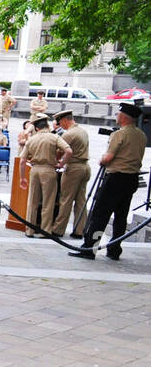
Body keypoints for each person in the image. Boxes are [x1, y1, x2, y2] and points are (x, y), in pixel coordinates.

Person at [71, 102, 147, 261]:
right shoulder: (141, 135)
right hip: (131, 178)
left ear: (124, 117)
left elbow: (108, 157)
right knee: (121, 214)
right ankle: (114, 248)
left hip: (115, 178)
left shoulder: (119, 134)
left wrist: (102, 160)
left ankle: (90, 247)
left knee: (100, 214)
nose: (116, 117)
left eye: (118, 114)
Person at [20, 117, 72, 238]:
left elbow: (22, 160)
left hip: (35, 170)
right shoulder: (54, 137)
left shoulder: (31, 140)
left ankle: (29, 230)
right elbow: (69, 151)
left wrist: (22, 178)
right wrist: (61, 163)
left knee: (32, 201)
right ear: (47, 126)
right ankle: (45, 230)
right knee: (48, 202)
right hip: (49, 170)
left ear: (37, 128)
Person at [53, 110, 91, 238]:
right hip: (85, 166)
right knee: (81, 200)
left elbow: (59, 152)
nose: (60, 125)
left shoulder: (69, 134)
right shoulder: (83, 131)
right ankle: (79, 230)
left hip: (73, 168)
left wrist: (59, 163)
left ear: (64, 120)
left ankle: (58, 229)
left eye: (60, 122)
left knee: (66, 199)